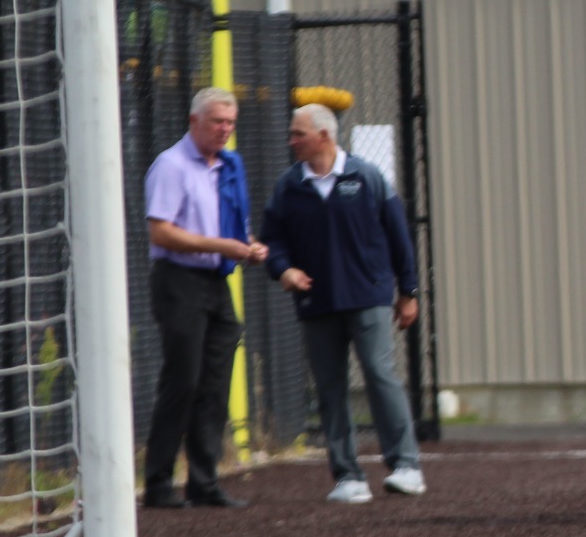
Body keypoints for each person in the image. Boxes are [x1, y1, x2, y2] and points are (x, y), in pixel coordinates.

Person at [260, 104, 426, 503]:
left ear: (324, 136)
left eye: (299, 133)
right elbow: (273, 242)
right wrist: (284, 270)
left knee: (380, 374)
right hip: (316, 302)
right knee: (330, 387)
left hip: (368, 297)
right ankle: (348, 476)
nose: (292, 141)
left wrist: (408, 292)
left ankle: (406, 466)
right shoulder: (288, 187)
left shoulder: (367, 177)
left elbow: (398, 235)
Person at [141, 86, 268, 509]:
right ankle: (158, 482)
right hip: (178, 279)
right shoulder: (171, 165)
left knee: (215, 382)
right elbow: (161, 232)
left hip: (216, 280)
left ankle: (204, 480)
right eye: (217, 122)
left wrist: (249, 247)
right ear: (194, 121)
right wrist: (221, 245)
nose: (225, 129)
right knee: (183, 379)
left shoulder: (229, 166)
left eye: (230, 122)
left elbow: (232, 227)